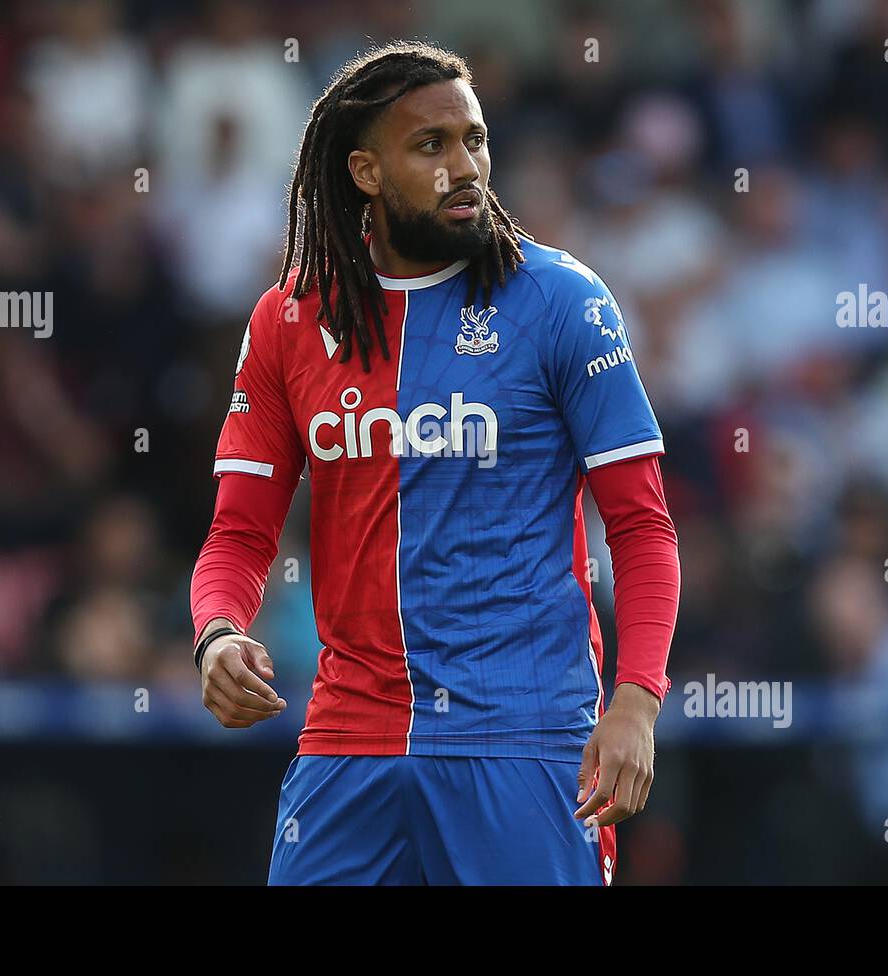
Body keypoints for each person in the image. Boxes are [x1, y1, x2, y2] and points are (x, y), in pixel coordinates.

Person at [190, 41, 681, 885]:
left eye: (475, 140)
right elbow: (238, 533)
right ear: (365, 172)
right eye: (432, 146)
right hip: (347, 743)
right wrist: (217, 635)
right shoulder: (288, 321)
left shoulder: (563, 301)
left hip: (523, 740)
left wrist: (636, 699)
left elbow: (641, 526)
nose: (465, 166)